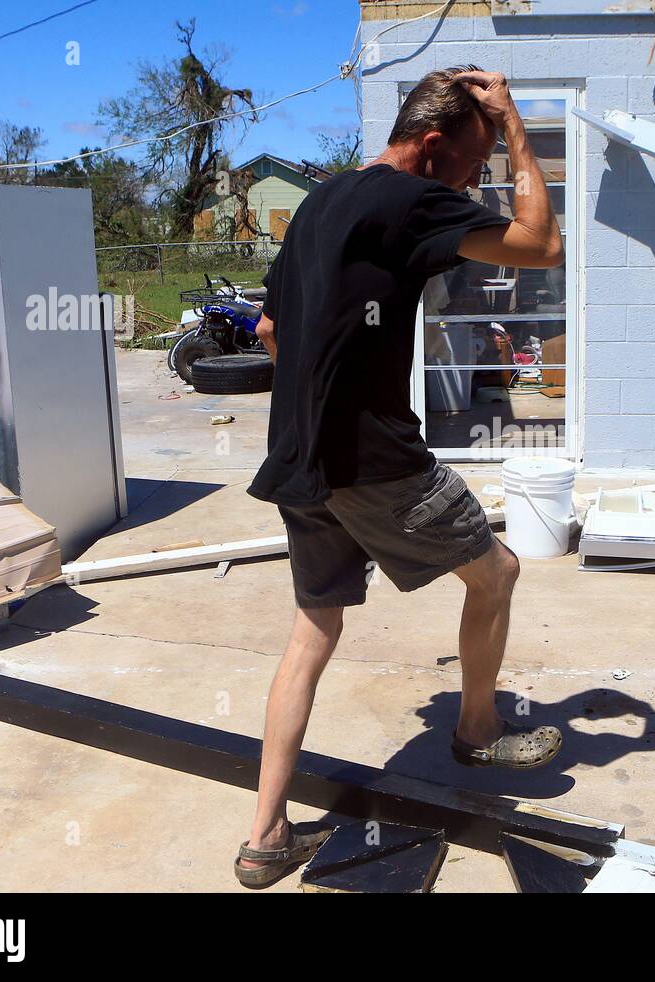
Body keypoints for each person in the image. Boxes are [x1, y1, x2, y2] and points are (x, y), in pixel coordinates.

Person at [233, 67, 565, 888]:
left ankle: (266, 834)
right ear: (432, 147)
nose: (475, 181)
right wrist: (516, 126)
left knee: (314, 633)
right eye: (472, 162)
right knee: (498, 571)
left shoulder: (318, 201)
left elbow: (273, 328)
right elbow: (539, 245)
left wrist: (323, 404)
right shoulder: (412, 198)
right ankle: (477, 733)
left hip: (297, 461)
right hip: (375, 463)